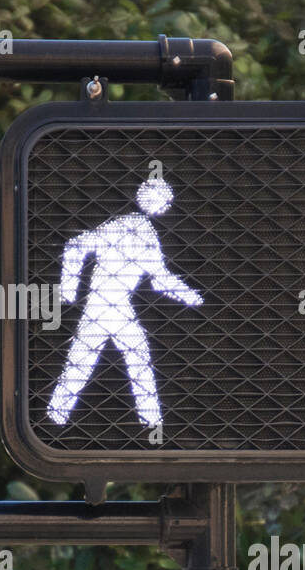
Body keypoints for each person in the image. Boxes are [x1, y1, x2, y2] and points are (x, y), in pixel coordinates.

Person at [46, 177, 203, 427]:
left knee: (95, 362)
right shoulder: (128, 227)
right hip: (105, 306)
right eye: (165, 199)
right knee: (114, 360)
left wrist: (192, 297)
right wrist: (67, 291)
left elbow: (160, 280)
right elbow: (76, 245)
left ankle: (57, 417)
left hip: (113, 306)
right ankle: (150, 424)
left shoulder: (136, 230)